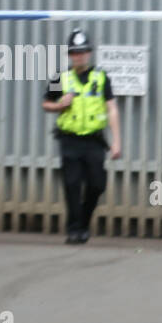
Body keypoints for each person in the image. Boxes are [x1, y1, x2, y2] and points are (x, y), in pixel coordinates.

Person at [42, 29, 121, 243]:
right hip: (70, 139)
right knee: (72, 184)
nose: (79, 55)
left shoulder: (101, 77)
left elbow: (112, 109)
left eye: (83, 51)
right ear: (70, 54)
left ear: (89, 53)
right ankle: (75, 230)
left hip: (94, 140)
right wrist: (60, 104)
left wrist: (116, 142)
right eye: (75, 52)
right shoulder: (61, 77)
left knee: (97, 185)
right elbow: (46, 103)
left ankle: (84, 222)